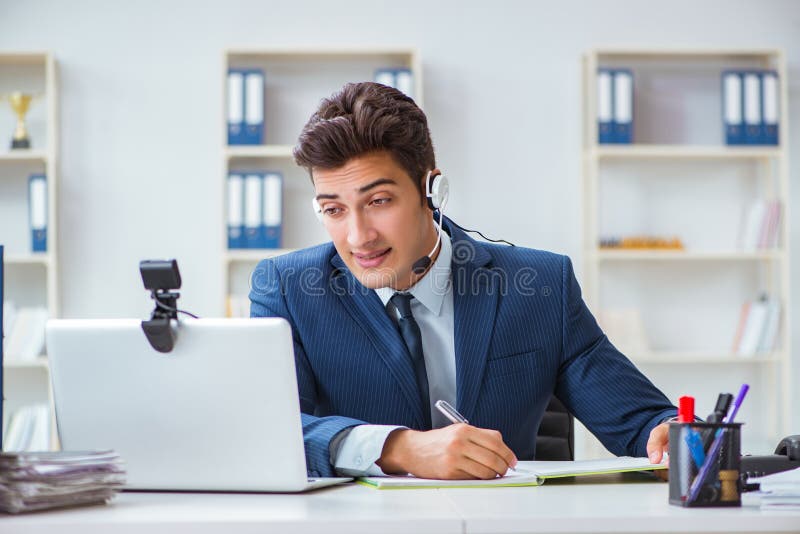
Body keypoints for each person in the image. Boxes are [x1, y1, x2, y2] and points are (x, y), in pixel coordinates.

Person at [249, 81, 676, 480]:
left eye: (378, 201)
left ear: (432, 190)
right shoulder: (286, 290)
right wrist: (396, 448)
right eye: (334, 210)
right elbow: (268, 429)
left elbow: (639, 422)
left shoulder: (540, 287)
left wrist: (665, 434)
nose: (359, 236)